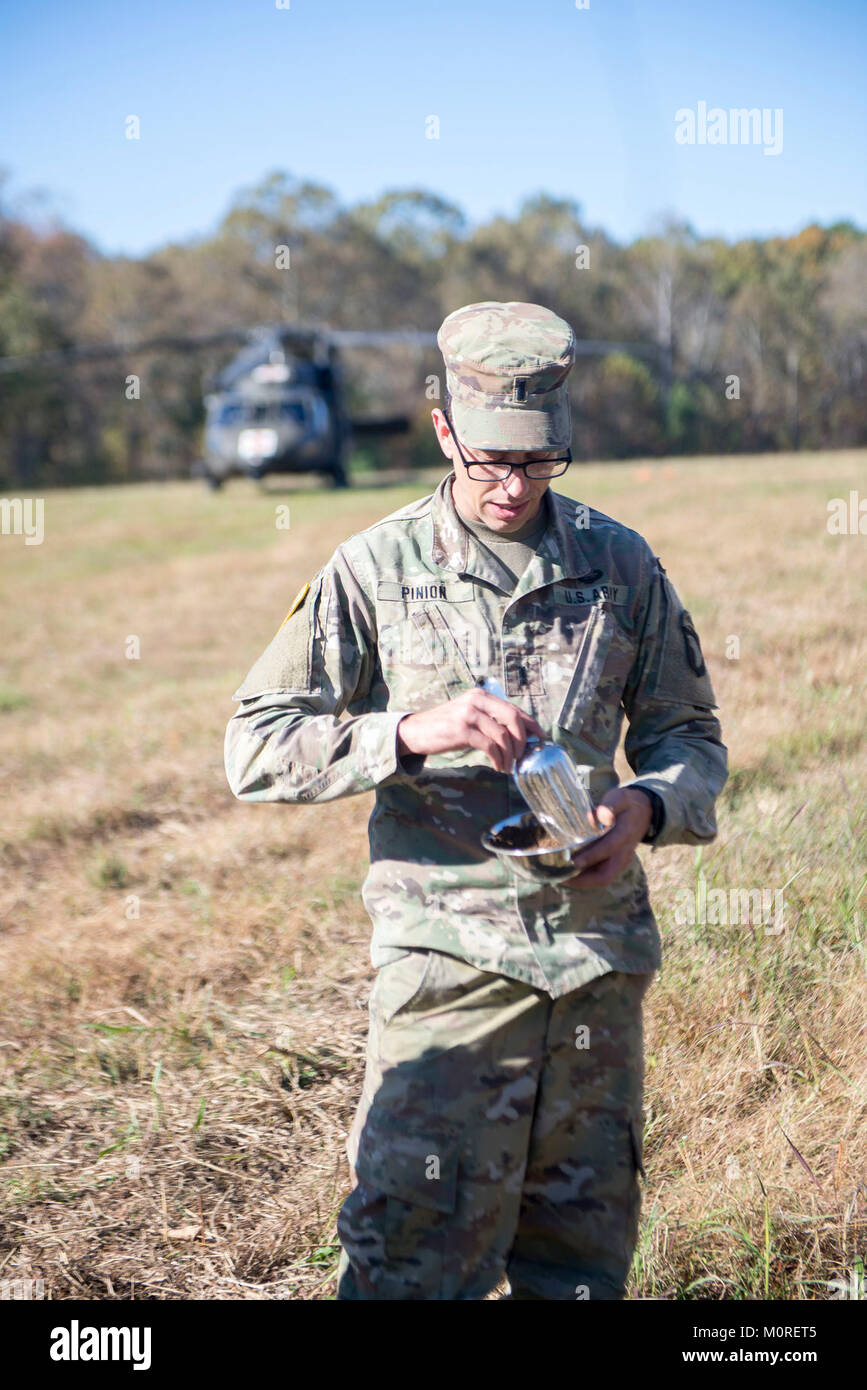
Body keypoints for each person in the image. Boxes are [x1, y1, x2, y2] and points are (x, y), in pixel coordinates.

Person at [224, 300, 727, 1300]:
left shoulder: (619, 565)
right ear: (445, 429)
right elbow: (252, 745)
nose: (511, 486)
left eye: (539, 463)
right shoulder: (375, 570)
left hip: (594, 968)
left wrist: (649, 808)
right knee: (408, 1260)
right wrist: (407, 733)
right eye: (490, 459)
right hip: (446, 980)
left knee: (578, 1267)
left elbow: (690, 736)